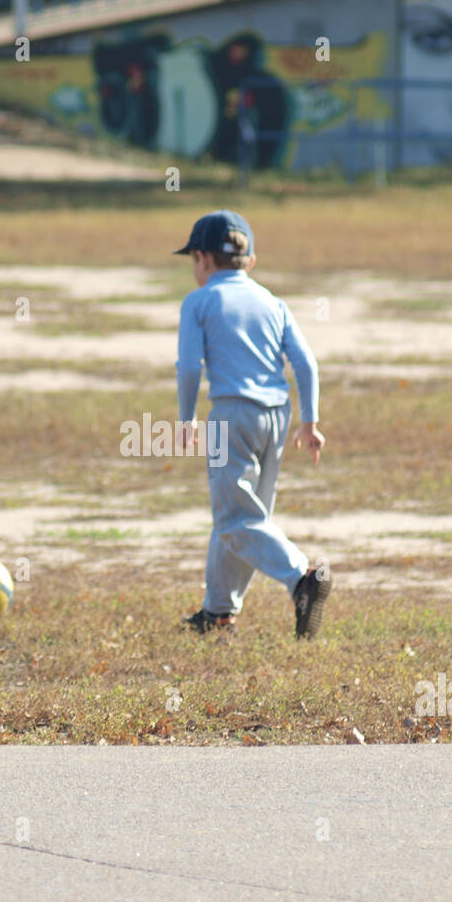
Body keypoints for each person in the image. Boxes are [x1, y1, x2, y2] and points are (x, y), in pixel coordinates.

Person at [173, 210, 331, 639]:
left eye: (193, 260)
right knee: (246, 515)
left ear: (204, 258)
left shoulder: (199, 301)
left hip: (230, 415)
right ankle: (218, 611)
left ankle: (302, 577)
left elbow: (188, 367)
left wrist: (185, 419)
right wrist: (309, 422)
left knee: (234, 520)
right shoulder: (272, 302)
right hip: (276, 416)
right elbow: (306, 363)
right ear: (251, 262)